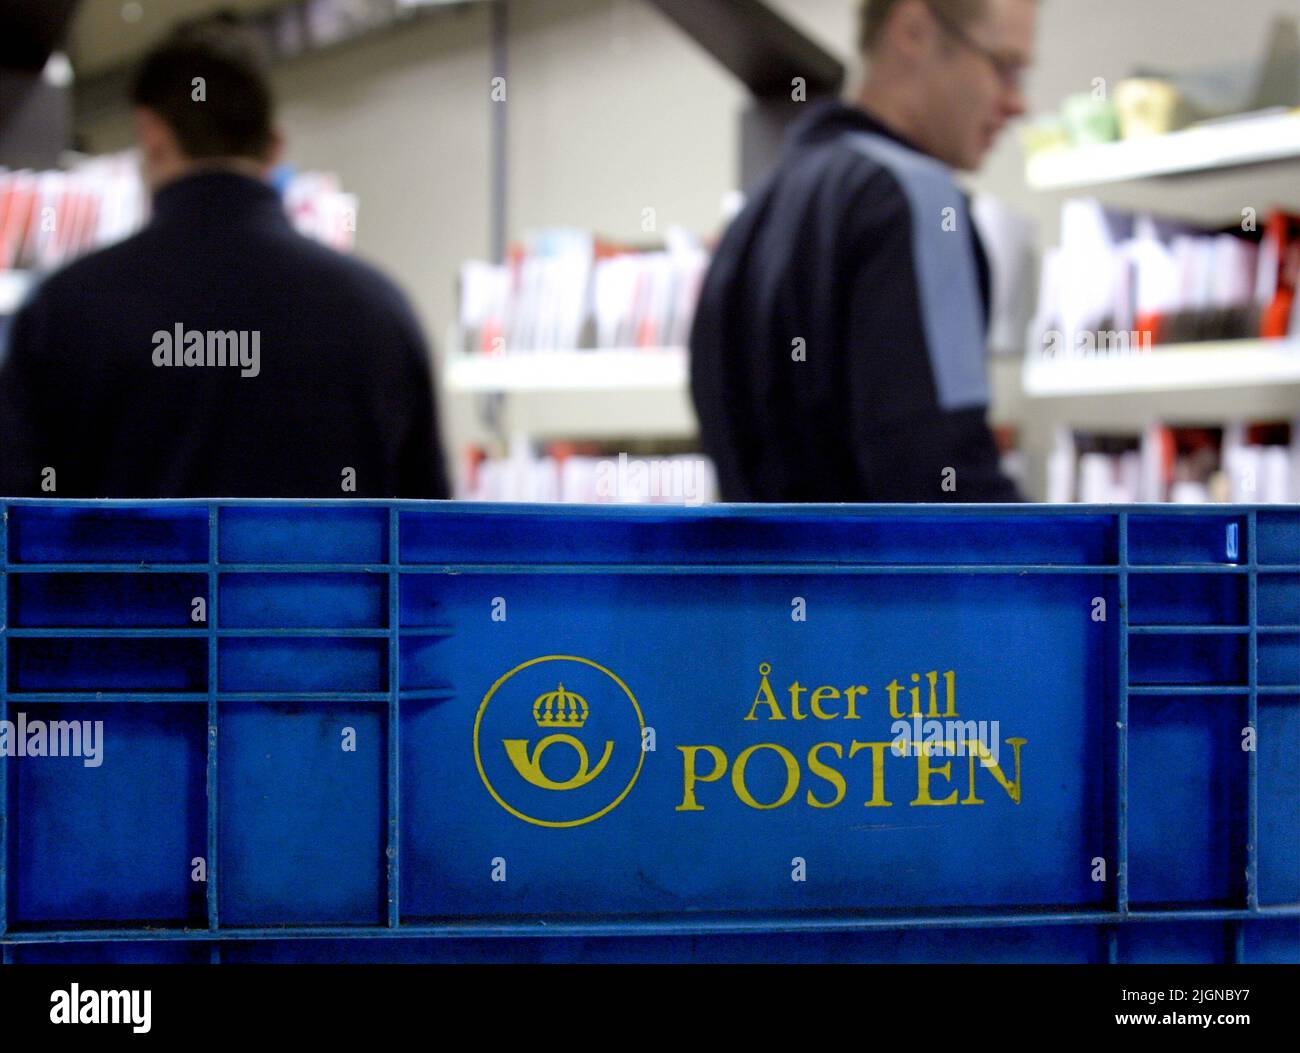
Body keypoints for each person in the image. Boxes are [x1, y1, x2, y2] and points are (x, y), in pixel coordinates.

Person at [0, 14, 450, 499]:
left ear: (152, 134)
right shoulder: (380, 314)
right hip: (325, 579)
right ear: (273, 146)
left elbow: (14, 532)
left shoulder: (64, 312)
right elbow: (434, 543)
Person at [690, 0, 1035, 503]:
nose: (1017, 103)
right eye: (1004, 66)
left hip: (763, 581)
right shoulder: (920, 200)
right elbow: (943, 480)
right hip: (886, 584)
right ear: (914, 31)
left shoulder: (753, 217)